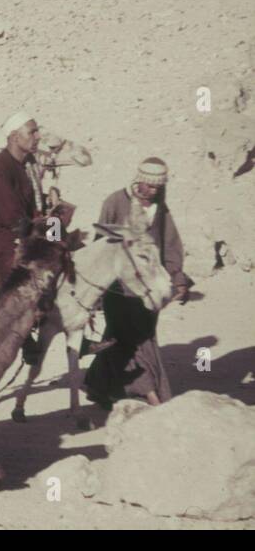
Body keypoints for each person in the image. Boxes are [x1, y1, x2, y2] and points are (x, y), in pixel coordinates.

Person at [84, 158, 193, 409]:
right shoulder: (114, 202)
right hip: (118, 290)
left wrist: (177, 278)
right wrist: (97, 289)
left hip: (148, 290)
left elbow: (170, 245)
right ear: (140, 182)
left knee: (128, 338)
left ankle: (100, 387)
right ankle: (152, 395)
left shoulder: (160, 209)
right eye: (151, 187)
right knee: (133, 341)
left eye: (159, 188)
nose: (155, 192)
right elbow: (100, 246)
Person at [0, 111, 43, 284]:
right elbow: (12, 216)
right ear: (14, 137)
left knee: (61, 242)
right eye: (32, 132)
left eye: (37, 131)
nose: (38, 136)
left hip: (26, 227)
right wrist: (40, 226)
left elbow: (30, 202)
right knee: (27, 277)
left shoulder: (26, 165)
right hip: (1, 237)